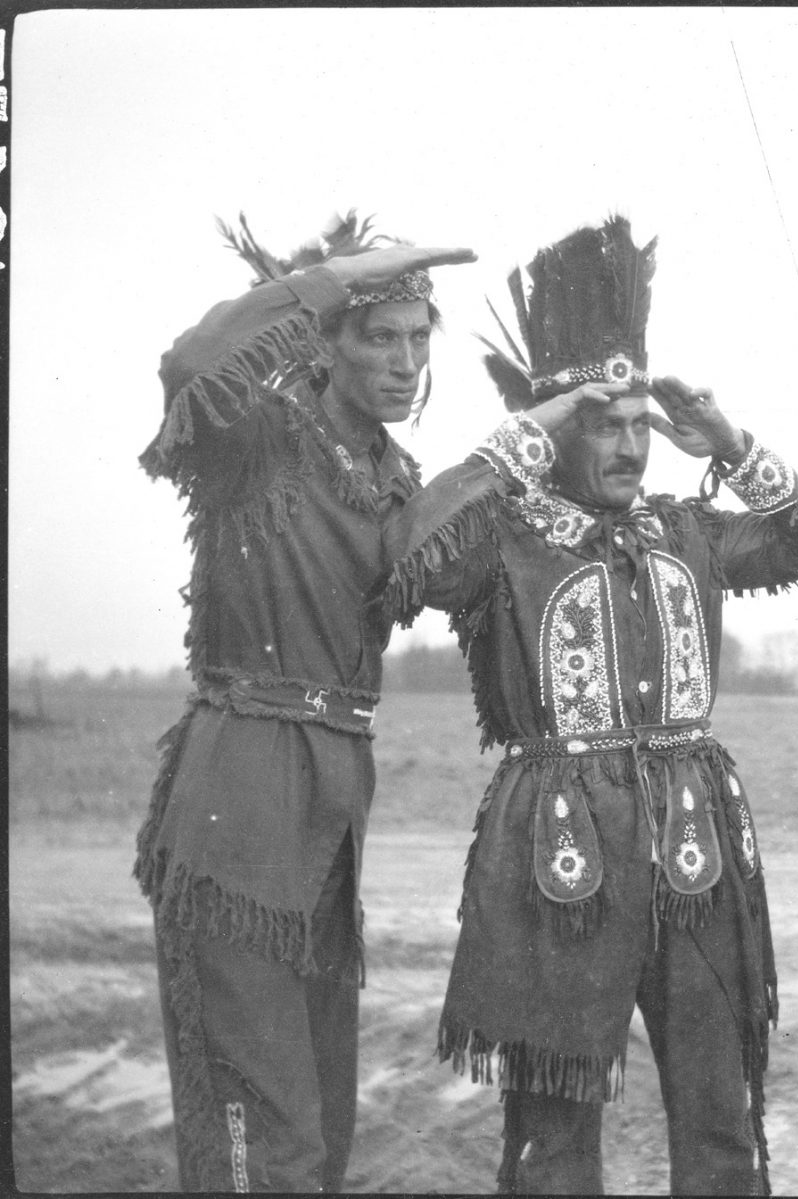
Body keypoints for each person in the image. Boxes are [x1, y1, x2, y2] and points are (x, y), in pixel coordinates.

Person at [383, 215, 798, 1195]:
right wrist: (524, 436)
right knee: (554, 1136)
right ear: (556, 427)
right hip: (559, 850)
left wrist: (728, 440)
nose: (629, 444)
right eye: (600, 422)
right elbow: (402, 560)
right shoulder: (503, 542)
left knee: (721, 1120)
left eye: (639, 423)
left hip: (698, 848)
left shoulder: (689, 530)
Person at [132, 212, 475, 1192]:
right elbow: (195, 359)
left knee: (317, 1132)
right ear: (324, 343)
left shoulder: (388, 475)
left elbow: (441, 550)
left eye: (419, 338)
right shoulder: (260, 443)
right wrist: (339, 276)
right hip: (238, 800)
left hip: (328, 813)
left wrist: (538, 431)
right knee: (258, 1138)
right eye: (382, 335)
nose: (407, 360)